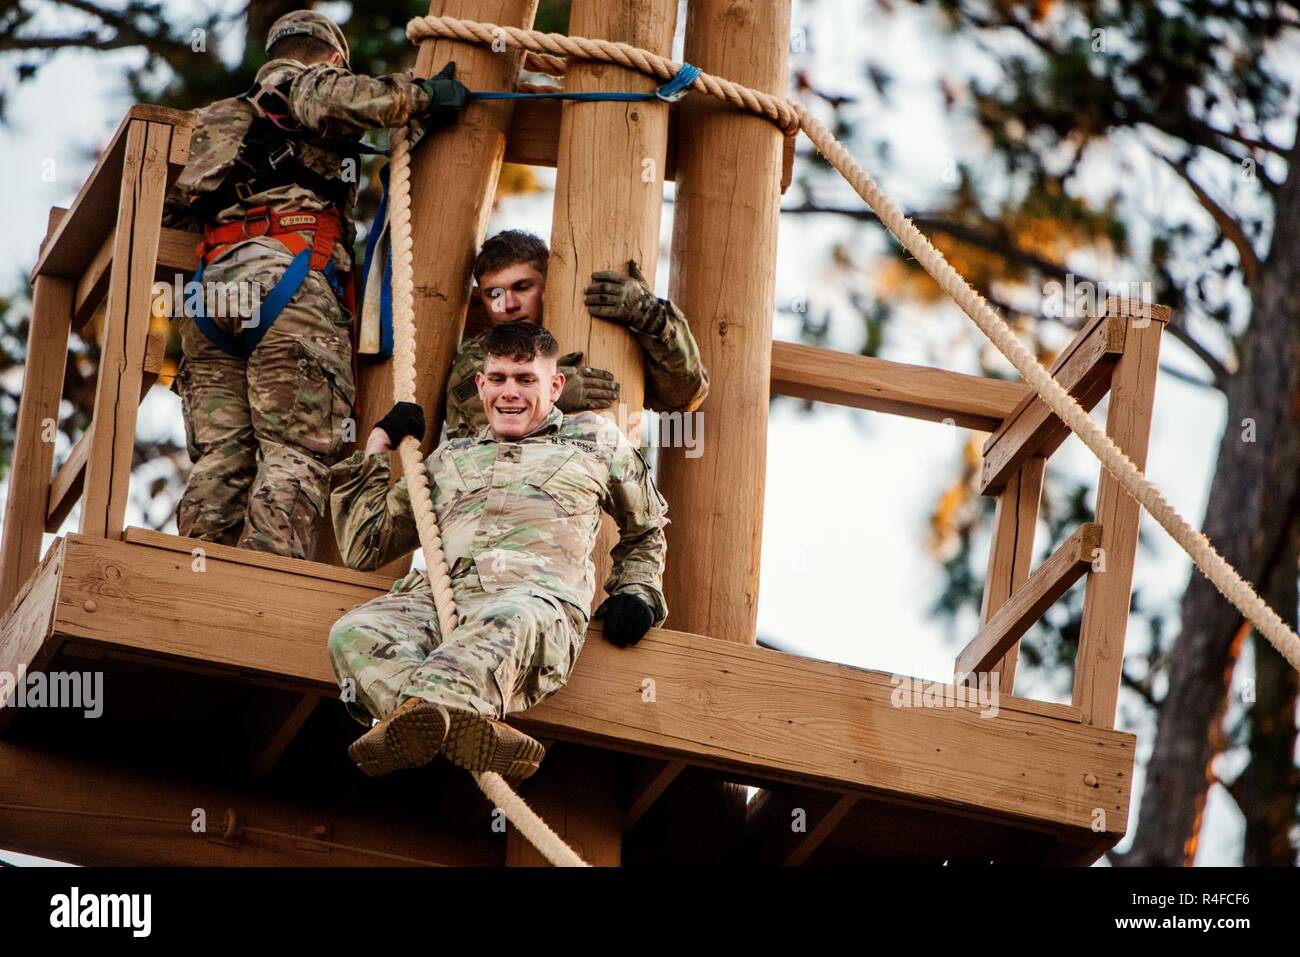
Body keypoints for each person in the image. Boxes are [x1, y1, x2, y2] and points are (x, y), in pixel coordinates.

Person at [167, 10, 469, 559]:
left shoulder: (211, 120)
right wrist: (426, 95)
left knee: (223, 457)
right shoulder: (302, 84)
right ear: (332, 58)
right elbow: (358, 101)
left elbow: (169, 213)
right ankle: (262, 581)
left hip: (209, 297)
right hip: (284, 284)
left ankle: (195, 574)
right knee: (297, 451)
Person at [328, 321, 669, 781]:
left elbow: (645, 528)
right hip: (440, 604)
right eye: (500, 379)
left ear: (555, 385)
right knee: (352, 631)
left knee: (510, 617)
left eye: (526, 379)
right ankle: (451, 723)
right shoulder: (451, 457)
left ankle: (406, 724)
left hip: (532, 603)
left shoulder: (596, 440)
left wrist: (637, 591)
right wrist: (377, 445)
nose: (510, 393)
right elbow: (364, 545)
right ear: (481, 384)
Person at [443, 229, 710, 438]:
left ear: (551, 284)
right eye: (494, 294)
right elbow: (486, 423)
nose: (509, 304)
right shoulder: (476, 361)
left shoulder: (593, 333)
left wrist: (655, 322)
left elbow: (684, 396)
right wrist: (547, 396)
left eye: (522, 287)